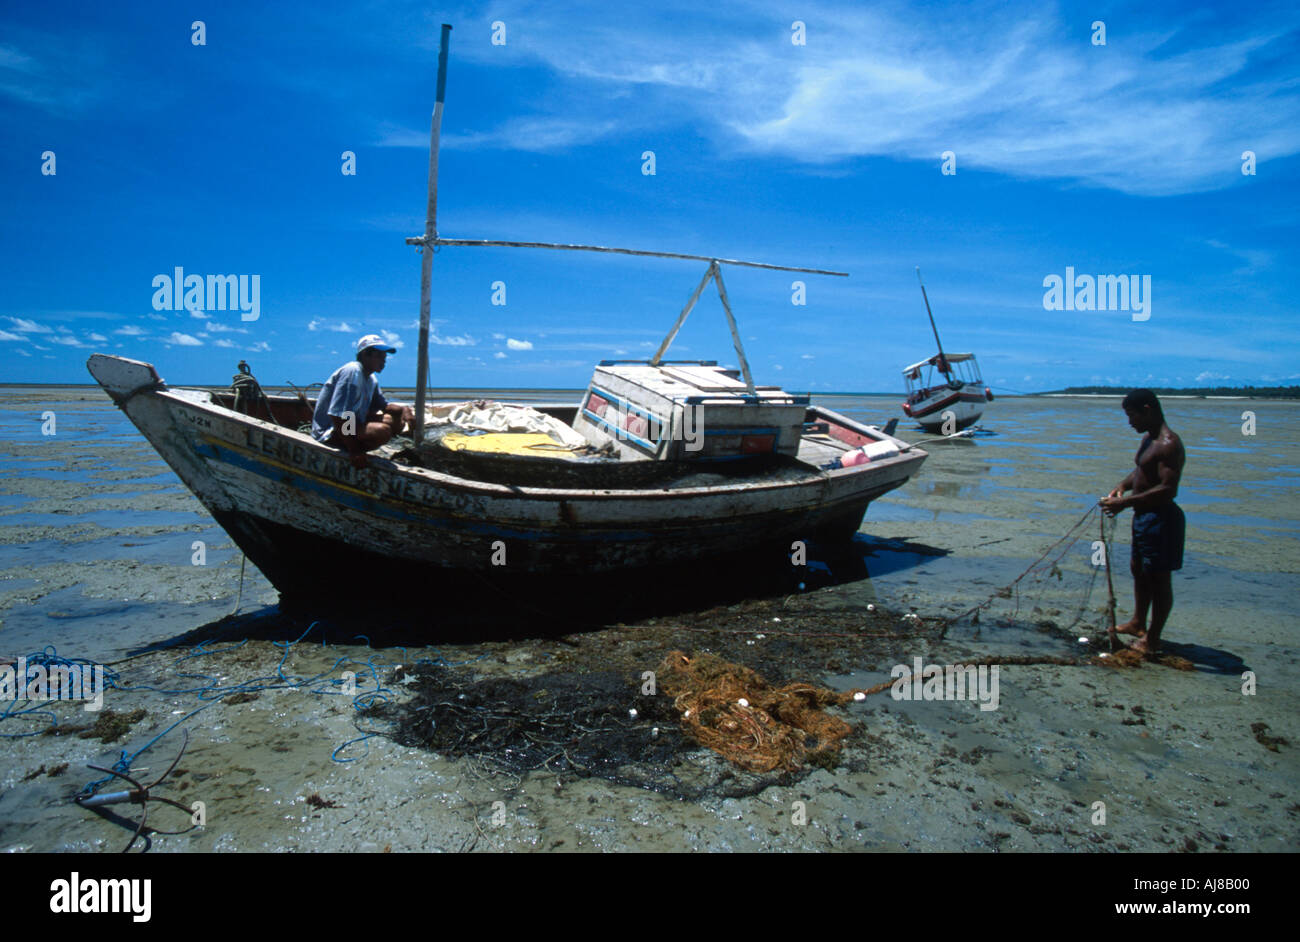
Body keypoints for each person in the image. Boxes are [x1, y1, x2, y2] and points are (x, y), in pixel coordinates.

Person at [1099, 389, 1186, 658]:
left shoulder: (1169, 444)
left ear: (1147, 410)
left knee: (1159, 579)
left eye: (1132, 416)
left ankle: (1153, 638)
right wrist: (1122, 487)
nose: (1130, 422)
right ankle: (1138, 622)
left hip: (1162, 519)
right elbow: (1142, 470)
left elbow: (1168, 489)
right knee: (1139, 569)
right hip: (1144, 517)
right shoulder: (1149, 440)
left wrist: (1124, 504)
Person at [312, 334, 415, 468]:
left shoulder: (371, 378)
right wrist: (354, 451)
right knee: (382, 431)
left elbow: (383, 406)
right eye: (379, 356)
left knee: (395, 420)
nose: (383, 361)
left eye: (384, 357)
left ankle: (356, 444)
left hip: (350, 426)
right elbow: (340, 414)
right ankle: (353, 449)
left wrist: (405, 410)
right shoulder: (353, 371)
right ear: (365, 355)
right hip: (330, 431)